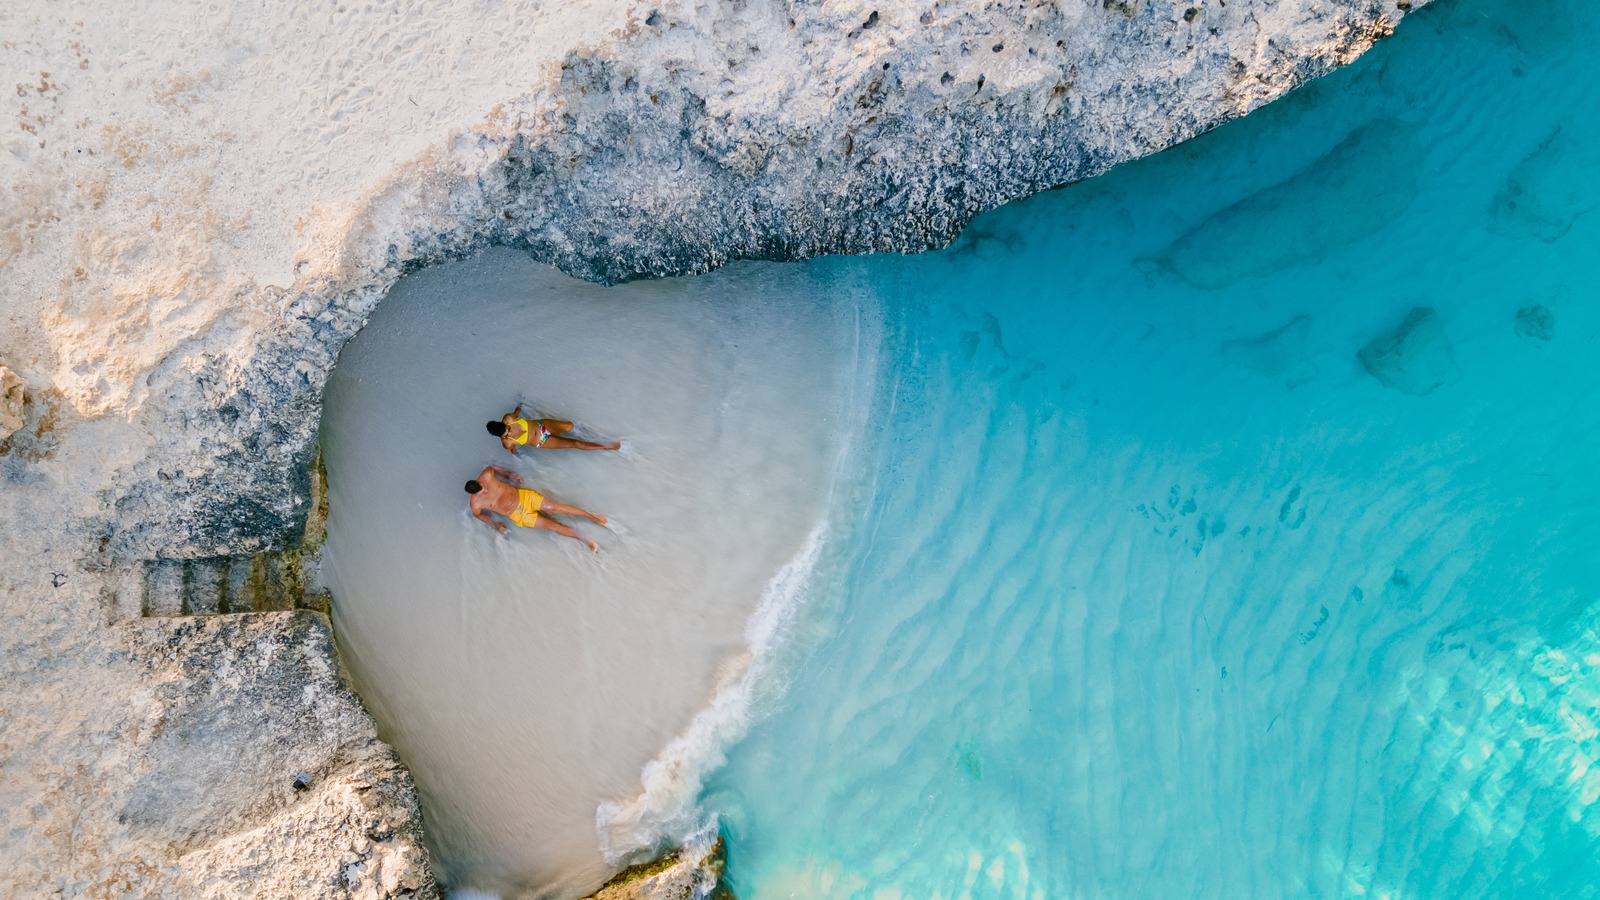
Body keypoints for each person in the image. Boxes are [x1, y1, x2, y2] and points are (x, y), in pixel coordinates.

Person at [465, 465, 606, 552]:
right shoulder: (475, 503)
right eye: (482, 493)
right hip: (519, 515)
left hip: (525, 497)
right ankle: (585, 539)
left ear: (479, 482)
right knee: (552, 526)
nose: (486, 491)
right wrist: (495, 524)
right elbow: (479, 516)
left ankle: (593, 517)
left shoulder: (486, 475)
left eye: (484, 488)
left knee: (556, 508)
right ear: (474, 494)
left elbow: (495, 468)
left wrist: (510, 475)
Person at [487, 404, 620, 454]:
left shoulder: (508, 426)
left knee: (570, 428)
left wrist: (520, 404)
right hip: (542, 438)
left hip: (542, 429)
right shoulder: (507, 435)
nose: (509, 431)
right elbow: (513, 449)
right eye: (507, 432)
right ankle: (605, 446)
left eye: (508, 429)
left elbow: (516, 411)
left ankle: (599, 438)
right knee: (575, 441)